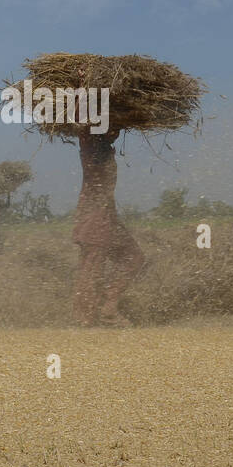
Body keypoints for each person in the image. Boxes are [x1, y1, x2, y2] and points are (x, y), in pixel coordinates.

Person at [72, 128, 145, 327]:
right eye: (113, 127)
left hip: (109, 219)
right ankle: (87, 321)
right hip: (93, 220)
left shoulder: (104, 147)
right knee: (91, 272)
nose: (117, 132)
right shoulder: (92, 146)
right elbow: (84, 120)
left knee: (134, 257)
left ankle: (107, 304)